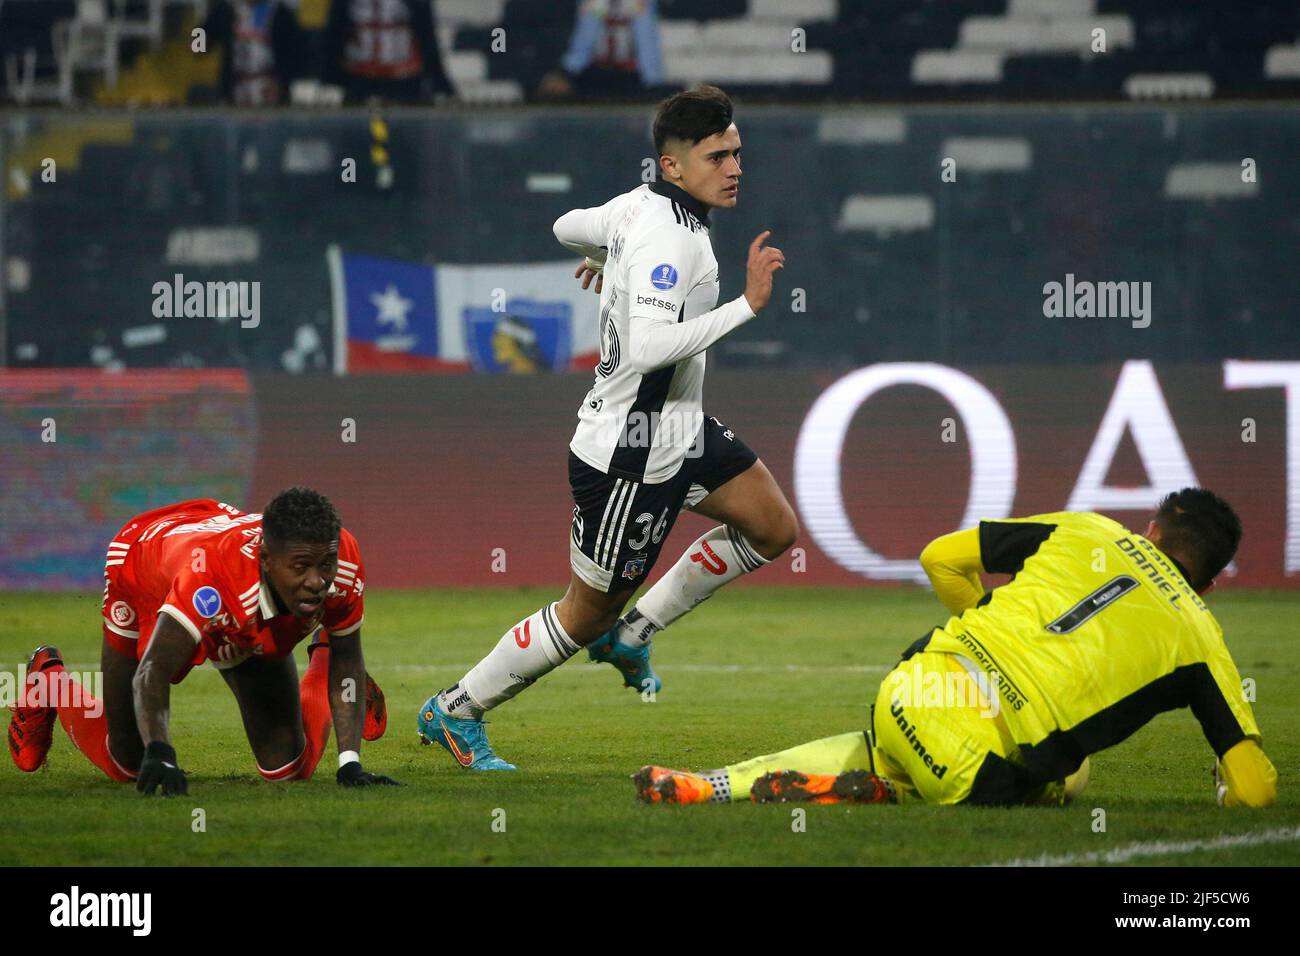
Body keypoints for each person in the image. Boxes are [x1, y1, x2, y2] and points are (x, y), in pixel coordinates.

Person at [417, 84, 795, 770]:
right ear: (674, 166)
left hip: (680, 429)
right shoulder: (667, 240)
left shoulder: (639, 206)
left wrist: (609, 264)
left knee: (772, 527)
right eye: (717, 156)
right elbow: (650, 349)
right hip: (630, 453)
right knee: (584, 612)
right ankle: (456, 709)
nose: (735, 168)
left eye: (737, 152)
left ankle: (636, 633)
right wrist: (748, 305)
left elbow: (567, 225)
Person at [634, 489, 1278, 810]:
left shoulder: (1090, 530)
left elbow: (939, 557)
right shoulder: (1203, 639)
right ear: (1212, 582)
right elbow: (1255, 792)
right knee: (1070, 773)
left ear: (1152, 529)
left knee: (893, 743)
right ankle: (847, 789)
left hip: (912, 685)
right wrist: (1228, 788)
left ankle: (715, 785)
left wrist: (990, 622)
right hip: (980, 762)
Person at [8, 488, 397, 794]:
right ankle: (50, 682)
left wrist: (350, 764)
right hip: (143, 563)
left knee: (289, 770)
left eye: (323, 565)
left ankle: (321, 653)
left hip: (231, 578)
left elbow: (352, 654)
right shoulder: (212, 582)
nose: (317, 580)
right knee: (128, 763)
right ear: (265, 558)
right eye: (301, 567)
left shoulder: (340, 554)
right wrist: (161, 752)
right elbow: (153, 671)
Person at [323, 0, 454, 104]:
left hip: (405, 77)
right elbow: (335, 29)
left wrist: (438, 81)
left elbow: (426, 33)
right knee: (357, 131)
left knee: (406, 130)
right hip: (358, 77)